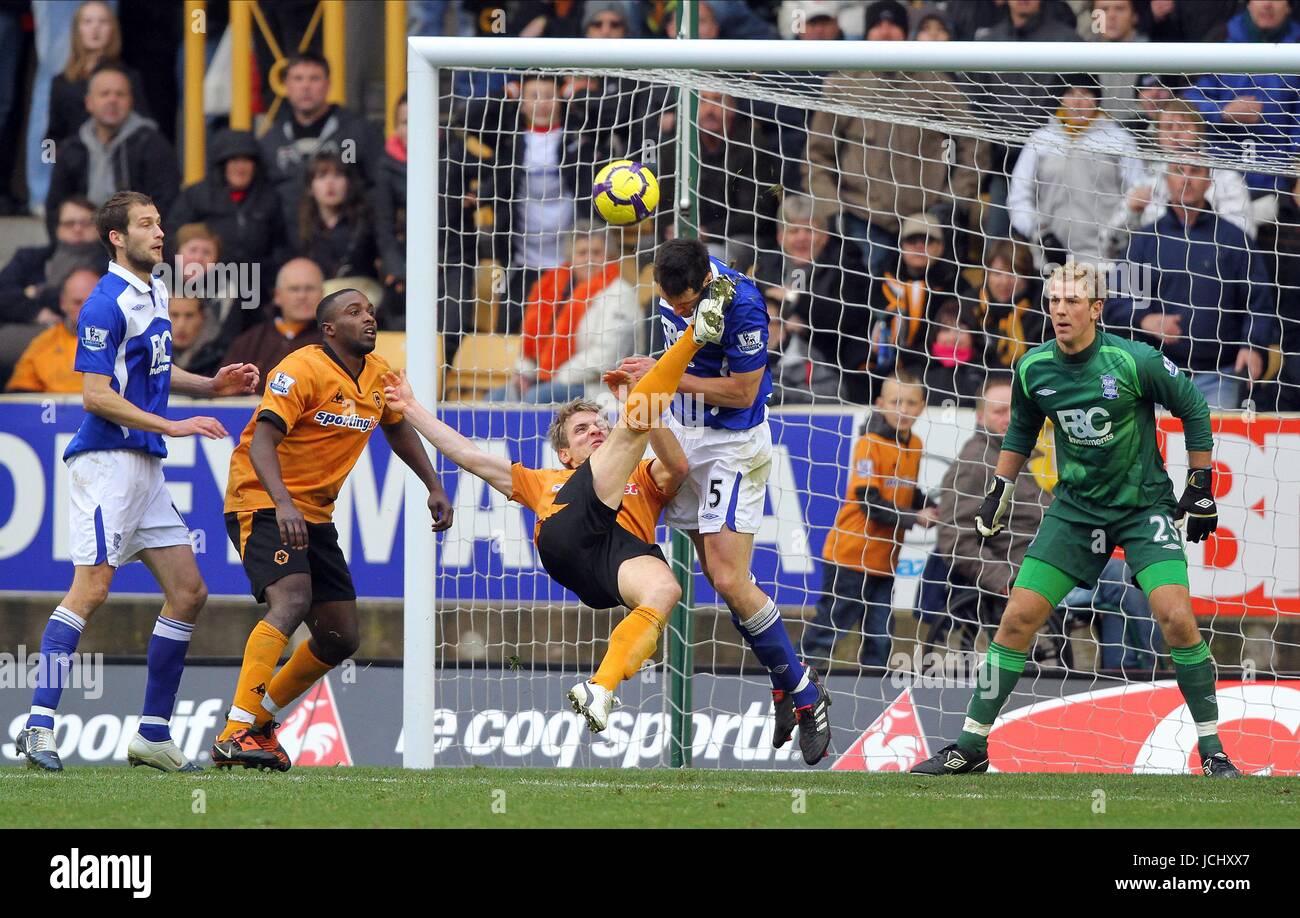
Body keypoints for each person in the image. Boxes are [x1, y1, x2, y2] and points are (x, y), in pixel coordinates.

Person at [911, 261, 1242, 778]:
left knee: (1176, 618)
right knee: (1018, 616)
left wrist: (1200, 485)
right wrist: (1000, 486)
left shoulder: (1133, 361)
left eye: (1071, 301)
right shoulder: (1034, 368)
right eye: (1052, 301)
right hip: (1073, 511)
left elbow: (1194, 407)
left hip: (1141, 509)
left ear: (1095, 308)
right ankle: (970, 747)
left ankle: (1214, 750)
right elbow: (1020, 429)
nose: (1059, 310)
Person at [15, 190, 259, 773]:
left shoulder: (152, 292)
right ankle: (38, 726)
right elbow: (97, 395)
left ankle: (151, 733)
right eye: (146, 225)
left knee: (189, 591)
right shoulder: (102, 304)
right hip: (107, 464)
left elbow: (151, 368)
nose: (160, 232)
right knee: (91, 589)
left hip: (143, 466)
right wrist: (171, 424)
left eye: (160, 222)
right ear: (117, 238)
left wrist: (210, 385)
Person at [606, 238, 833, 763]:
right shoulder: (668, 288)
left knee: (731, 578)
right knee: (719, 576)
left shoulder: (745, 303)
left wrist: (663, 376)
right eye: (673, 304)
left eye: (688, 306)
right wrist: (655, 364)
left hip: (732, 446)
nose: (680, 311)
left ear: (706, 280)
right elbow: (680, 352)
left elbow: (743, 391)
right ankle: (783, 679)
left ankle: (804, 690)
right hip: (685, 436)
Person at [211, 288, 453, 770]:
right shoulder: (300, 368)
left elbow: (397, 427)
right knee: (292, 599)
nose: (369, 317)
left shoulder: (380, 373)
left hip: (314, 514)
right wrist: (282, 504)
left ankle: (258, 722)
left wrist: (433, 484)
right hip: (262, 500)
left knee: (340, 637)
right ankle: (236, 731)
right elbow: (263, 443)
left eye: (369, 309)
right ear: (328, 329)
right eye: (354, 312)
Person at [806, 12, 984, 279]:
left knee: (924, 309)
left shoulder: (935, 82)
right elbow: (817, 155)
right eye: (878, 25)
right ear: (866, 34)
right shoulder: (844, 84)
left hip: (925, 221)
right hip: (861, 221)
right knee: (864, 309)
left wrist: (951, 200)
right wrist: (833, 211)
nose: (885, 31)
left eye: (893, 25)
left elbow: (974, 141)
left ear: (906, 34)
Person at [1105, 162, 1277, 410]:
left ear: (1209, 181)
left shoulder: (1234, 241)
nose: (1186, 179)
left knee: (1214, 449)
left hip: (1221, 377)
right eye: (1178, 170)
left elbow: (1258, 303)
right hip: (1157, 375)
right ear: (1166, 181)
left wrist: (1252, 345)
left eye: (1195, 171)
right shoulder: (1144, 242)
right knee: (1155, 450)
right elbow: (1116, 301)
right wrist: (1145, 319)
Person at [802, 373, 937, 665]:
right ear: (880, 403)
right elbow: (869, 503)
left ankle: (873, 693)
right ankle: (800, 685)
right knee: (831, 627)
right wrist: (916, 517)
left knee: (880, 636)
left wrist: (937, 507)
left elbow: (908, 491)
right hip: (850, 556)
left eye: (911, 402)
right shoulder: (868, 443)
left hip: (885, 561)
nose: (903, 409)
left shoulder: (915, 445)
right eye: (896, 402)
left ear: (922, 406)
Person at [926, 374, 1050, 650]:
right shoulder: (975, 463)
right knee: (1117, 586)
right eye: (999, 411)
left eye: (1014, 410)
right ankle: (1128, 672)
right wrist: (1004, 579)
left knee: (1118, 576)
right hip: (1028, 574)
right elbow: (954, 539)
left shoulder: (1016, 456)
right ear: (981, 417)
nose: (1009, 418)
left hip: (1053, 562)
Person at [491, 221, 640, 404]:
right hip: (550, 379)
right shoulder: (556, 288)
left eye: (596, 252)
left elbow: (606, 358)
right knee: (497, 397)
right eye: (582, 253)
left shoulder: (620, 293)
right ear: (571, 258)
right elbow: (534, 344)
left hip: (595, 386)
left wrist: (556, 377)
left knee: (537, 397)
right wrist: (524, 374)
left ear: (609, 256)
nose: (589, 259)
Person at [1008, 74, 1143, 265]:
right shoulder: (1040, 140)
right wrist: (1040, 232)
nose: (1078, 101)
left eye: (1086, 93)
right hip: (1049, 262)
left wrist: (1115, 234)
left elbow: (1137, 193)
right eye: (1071, 93)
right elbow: (1018, 197)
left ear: (1097, 99)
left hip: (1106, 261)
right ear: (1061, 98)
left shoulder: (1119, 141)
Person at [753, 193, 870, 403]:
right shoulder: (765, 267)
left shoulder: (847, 264)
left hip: (830, 366)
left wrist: (795, 300)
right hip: (774, 361)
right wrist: (783, 324)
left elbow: (851, 317)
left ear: (824, 235)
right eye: (794, 230)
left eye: (809, 230)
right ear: (781, 237)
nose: (801, 238)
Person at [45, 62, 180, 243]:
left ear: (131, 101)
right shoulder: (72, 149)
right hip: (81, 244)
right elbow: (55, 208)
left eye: (120, 94)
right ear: (89, 103)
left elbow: (167, 205)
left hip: (137, 246)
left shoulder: (154, 145)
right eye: (104, 94)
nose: (112, 100)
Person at [1103, 99, 1254, 258]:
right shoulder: (1146, 182)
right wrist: (1131, 212)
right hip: (1155, 273)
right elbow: (1110, 247)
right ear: (1158, 135)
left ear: (1199, 131)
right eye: (1168, 127)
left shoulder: (1227, 180)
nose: (1175, 133)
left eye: (1183, 126)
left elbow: (1242, 240)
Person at [1185, 0, 1300, 200]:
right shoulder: (1220, 38)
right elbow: (1188, 100)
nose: (1267, 4)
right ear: (1248, 3)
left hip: (1282, 184)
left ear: (1290, 6)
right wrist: (1222, 112)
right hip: (1218, 181)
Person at [257, 52, 385, 231]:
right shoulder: (270, 140)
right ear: (286, 85)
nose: (306, 86)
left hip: (349, 239)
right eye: (298, 79)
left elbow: (379, 187)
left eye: (314, 78)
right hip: (287, 244)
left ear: (328, 84)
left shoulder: (358, 132)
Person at [0, 196, 103, 373]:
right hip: (31, 335)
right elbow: (3, 293)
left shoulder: (111, 265)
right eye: (70, 223)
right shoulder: (30, 259)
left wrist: (38, 293)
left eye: (86, 223)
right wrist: (36, 311)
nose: (77, 229)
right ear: (57, 228)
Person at [167, 128, 288, 274]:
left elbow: (281, 245)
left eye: (246, 160)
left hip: (257, 284)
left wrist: (268, 276)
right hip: (202, 281)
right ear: (222, 165)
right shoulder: (196, 195)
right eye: (234, 160)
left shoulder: (269, 198)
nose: (240, 167)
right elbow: (172, 238)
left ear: (255, 166)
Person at [865, 213, 956, 393]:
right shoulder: (879, 283)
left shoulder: (955, 286)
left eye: (928, 241)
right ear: (901, 246)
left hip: (932, 371)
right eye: (912, 240)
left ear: (941, 247)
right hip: (878, 369)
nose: (919, 246)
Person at [46, 1, 148, 148]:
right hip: (75, 166)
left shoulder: (128, 78)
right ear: (77, 30)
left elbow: (145, 127)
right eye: (88, 22)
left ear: (112, 29)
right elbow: (51, 136)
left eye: (103, 21)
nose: (95, 28)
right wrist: (53, 166)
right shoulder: (61, 82)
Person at [222, 258, 326, 392]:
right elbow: (224, 392)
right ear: (277, 295)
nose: (302, 296)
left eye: (310, 288)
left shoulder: (336, 341)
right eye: (294, 289)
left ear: (323, 294)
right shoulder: (250, 341)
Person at [5, 268, 99, 394]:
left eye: (91, 302)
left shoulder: (123, 340)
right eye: (77, 302)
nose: (85, 310)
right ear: (63, 303)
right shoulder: (43, 344)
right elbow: (19, 397)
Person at [290, 151, 380, 282]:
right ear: (310, 187)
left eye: (338, 175)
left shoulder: (368, 221)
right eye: (321, 176)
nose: (330, 183)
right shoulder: (297, 225)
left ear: (349, 183)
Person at [967, 239, 1046, 373]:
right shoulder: (971, 304)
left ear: (1028, 276)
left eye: (1014, 273)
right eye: (997, 273)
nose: (1004, 282)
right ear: (986, 275)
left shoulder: (1043, 309)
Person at [166, 295, 223, 376]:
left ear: (202, 317)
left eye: (189, 316)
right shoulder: (150, 357)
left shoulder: (220, 358)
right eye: (174, 315)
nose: (181, 325)